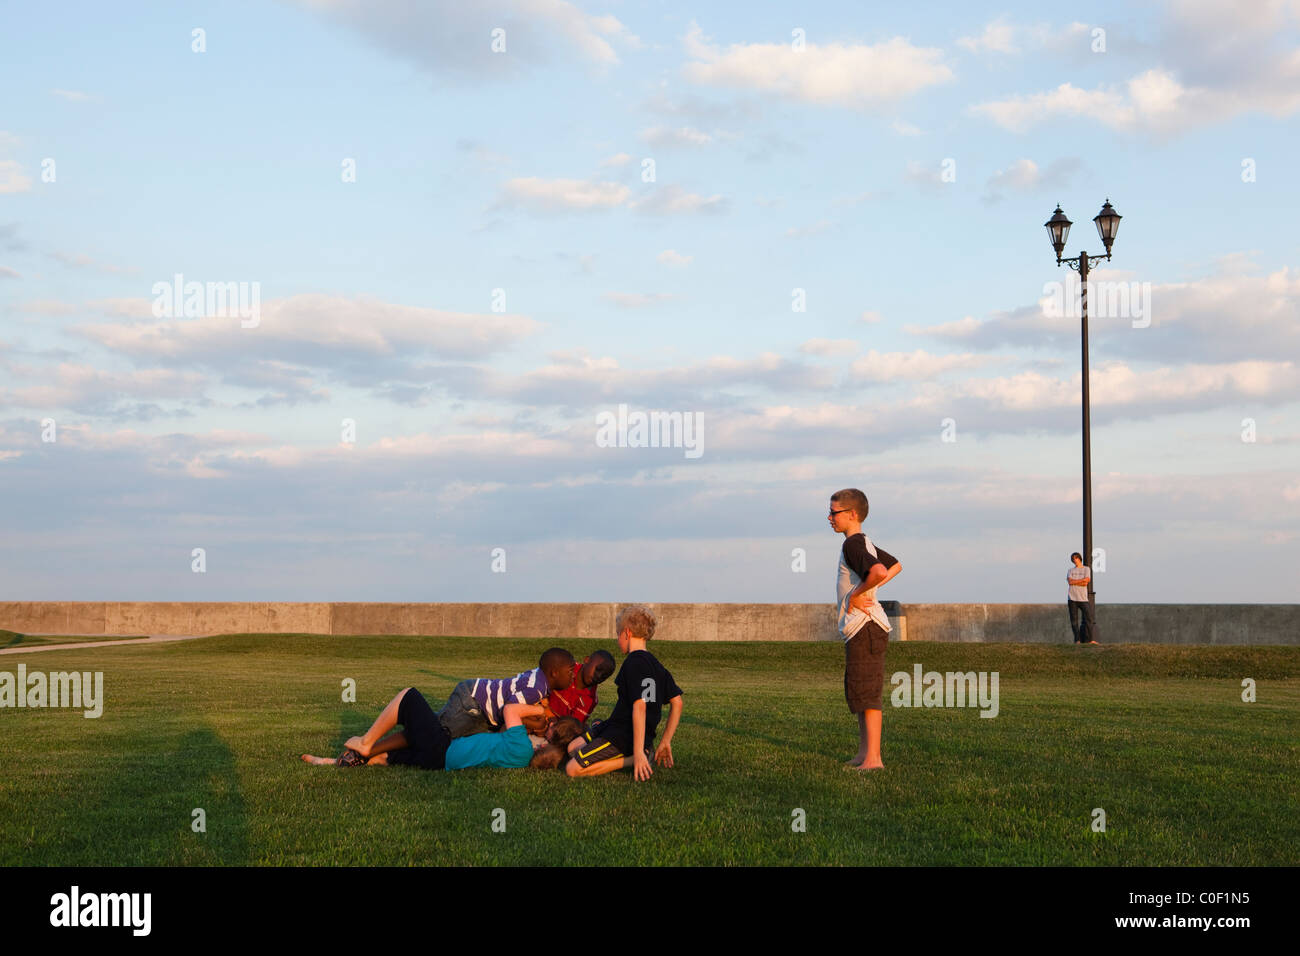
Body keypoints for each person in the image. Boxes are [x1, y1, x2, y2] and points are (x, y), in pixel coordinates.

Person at [300, 686, 585, 771]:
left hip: (443, 750)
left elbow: (511, 709)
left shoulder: (520, 744)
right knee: (389, 756)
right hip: (438, 763)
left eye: (551, 724)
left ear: (551, 735)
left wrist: (539, 708)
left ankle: (366, 741)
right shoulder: (522, 757)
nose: (546, 722)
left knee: (408, 697)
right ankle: (328, 762)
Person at [829, 488, 901, 771]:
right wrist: (867, 590)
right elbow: (894, 566)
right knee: (859, 689)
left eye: (834, 513)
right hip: (861, 628)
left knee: (868, 692)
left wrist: (859, 594)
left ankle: (874, 759)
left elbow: (880, 572)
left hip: (866, 627)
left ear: (852, 514)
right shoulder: (861, 542)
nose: (830, 517)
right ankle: (863, 753)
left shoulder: (853, 544)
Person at [565, 606, 682, 780]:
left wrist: (638, 751)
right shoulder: (657, 665)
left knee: (572, 769)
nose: (618, 639)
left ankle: (634, 759)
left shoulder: (633, 663)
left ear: (626, 633)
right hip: (618, 727)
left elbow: (640, 707)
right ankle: (637, 750)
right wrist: (665, 740)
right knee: (572, 748)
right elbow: (677, 702)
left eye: (618, 634)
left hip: (622, 736)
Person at [437, 647, 575, 739]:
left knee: (464, 735)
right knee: (444, 732)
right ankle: (416, 719)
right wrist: (536, 724)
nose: (573, 676)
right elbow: (510, 710)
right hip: (473, 700)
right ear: (554, 673)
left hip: (481, 707)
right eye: (570, 671)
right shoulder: (536, 690)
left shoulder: (539, 678)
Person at [548, 650, 615, 723]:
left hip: (553, 726)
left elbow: (572, 725)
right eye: (598, 669)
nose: (599, 676)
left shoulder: (591, 699)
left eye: (604, 676)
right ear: (587, 660)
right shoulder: (567, 668)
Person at [1067, 552, 1098, 644]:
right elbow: (1070, 582)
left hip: (1083, 598)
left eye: (1075, 558)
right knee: (1074, 620)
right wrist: (1081, 581)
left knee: (1089, 619)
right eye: (1073, 559)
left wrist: (1075, 582)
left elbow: (1086, 581)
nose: (1074, 560)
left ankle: (1091, 639)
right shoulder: (1070, 570)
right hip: (1072, 598)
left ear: (1079, 558)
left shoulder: (1086, 569)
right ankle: (1077, 640)